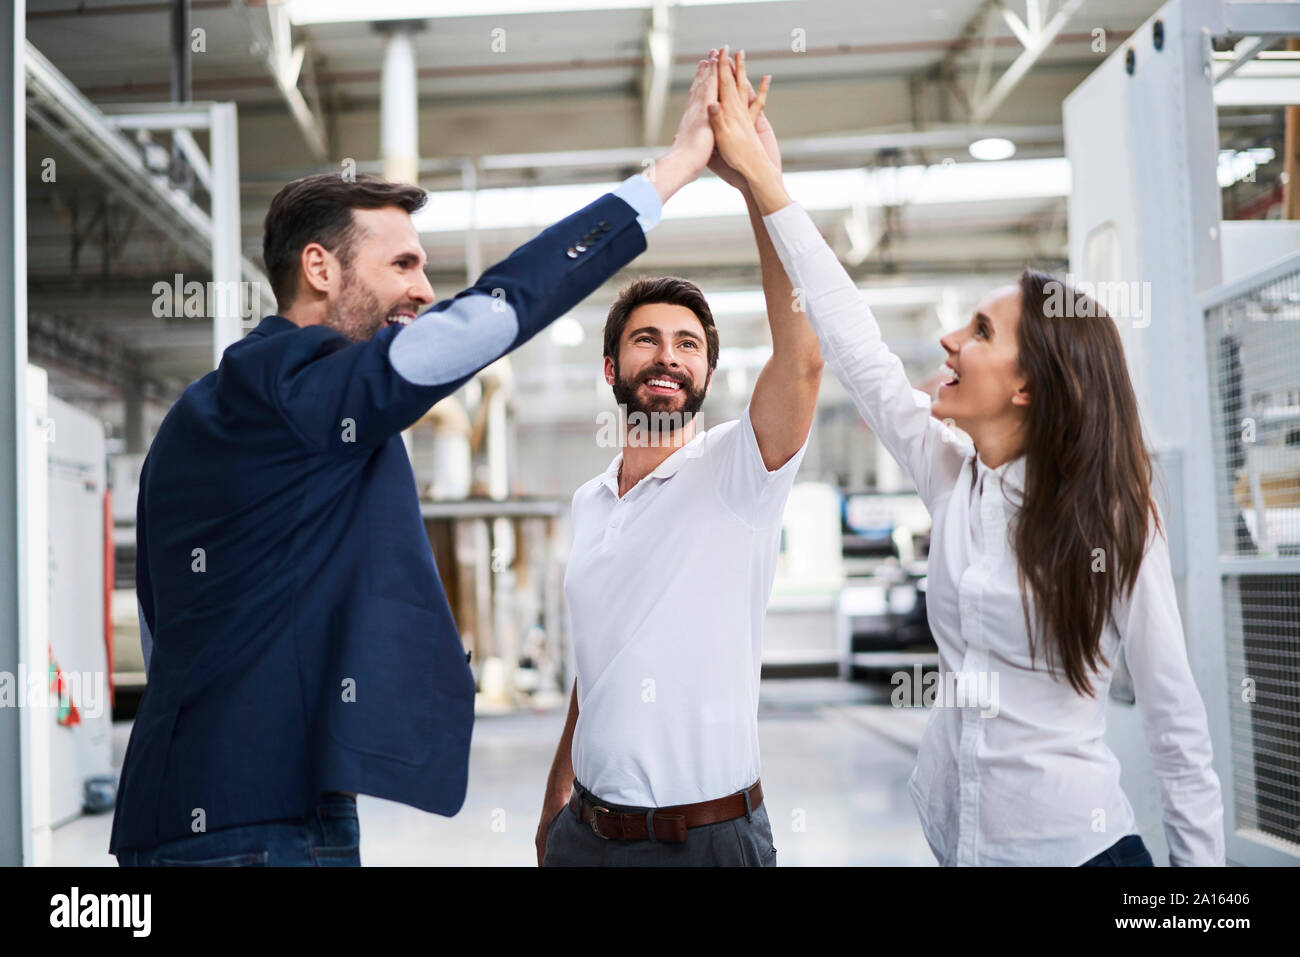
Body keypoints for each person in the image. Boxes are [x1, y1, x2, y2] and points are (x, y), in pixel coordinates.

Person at [110, 53, 723, 867]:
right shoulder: (307, 387)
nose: (425, 289)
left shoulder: (198, 413)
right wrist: (670, 173)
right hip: (262, 820)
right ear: (319, 268)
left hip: (189, 801)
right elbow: (494, 314)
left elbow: (163, 623)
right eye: (403, 263)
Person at [705, 53, 1225, 866]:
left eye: (981, 332)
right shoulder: (949, 467)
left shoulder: (1115, 523)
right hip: (961, 846)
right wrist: (765, 181)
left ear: (1029, 388)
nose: (949, 341)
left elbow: (1177, 723)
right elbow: (852, 335)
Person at [536, 48, 824, 867]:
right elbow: (596, 671)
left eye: (688, 344)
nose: (667, 356)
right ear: (611, 368)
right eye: (647, 340)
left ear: (706, 372)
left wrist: (761, 184)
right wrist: (555, 799)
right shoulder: (590, 503)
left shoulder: (742, 472)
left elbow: (802, 357)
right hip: (585, 837)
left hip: (710, 841)